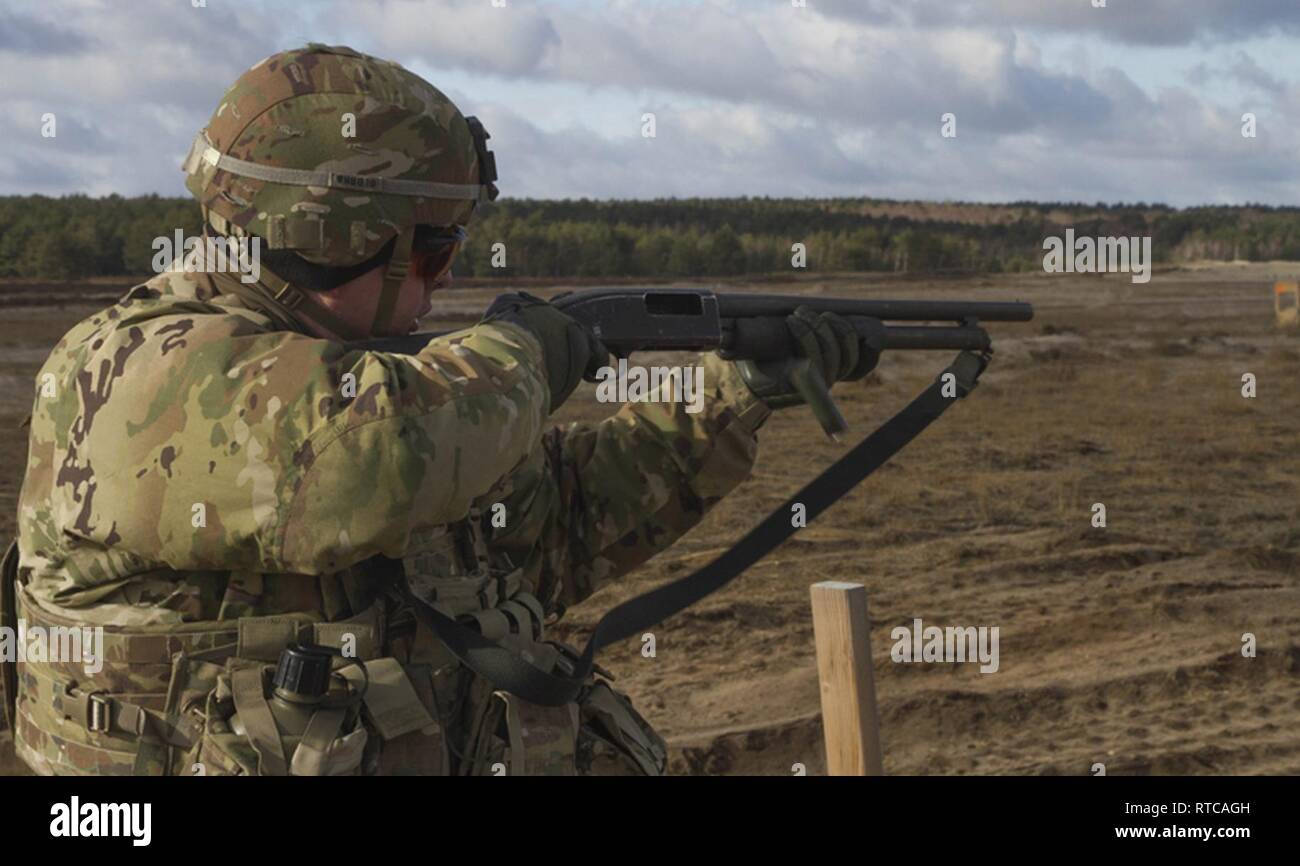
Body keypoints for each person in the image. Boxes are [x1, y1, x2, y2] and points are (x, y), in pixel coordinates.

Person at [1, 44, 874, 776]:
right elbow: (366, 465)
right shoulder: (134, 375)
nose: (446, 276)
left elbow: (548, 531)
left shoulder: (371, 381)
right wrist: (532, 355)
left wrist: (733, 397)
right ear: (336, 234)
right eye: (434, 247)